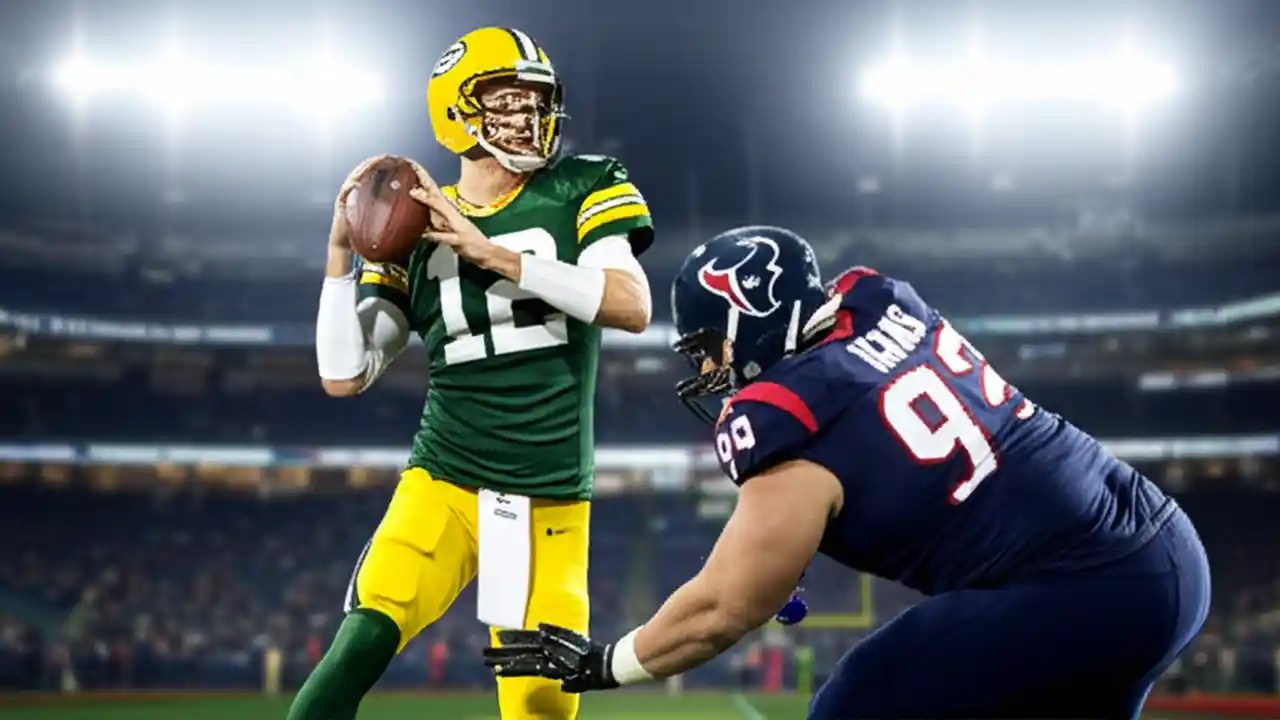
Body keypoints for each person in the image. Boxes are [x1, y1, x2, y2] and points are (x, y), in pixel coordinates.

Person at [484, 225, 1210, 719]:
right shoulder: (881, 302)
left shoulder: (788, 416)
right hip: (1166, 551)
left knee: (863, 693)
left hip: (1086, 586)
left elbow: (723, 609)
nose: (709, 370)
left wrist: (604, 664)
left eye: (709, 346)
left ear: (755, 316)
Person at [293, 26, 654, 720]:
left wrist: (495, 255)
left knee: (540, 706)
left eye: (535, 102)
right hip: (446, 481)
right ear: (456, 111)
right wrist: (341, 254)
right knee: (362, 637)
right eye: (508, 102)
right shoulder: (413, 228)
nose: (529, 118)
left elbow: (630, 304)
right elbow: (345, 375)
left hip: (550, 498)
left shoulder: (585, 185)